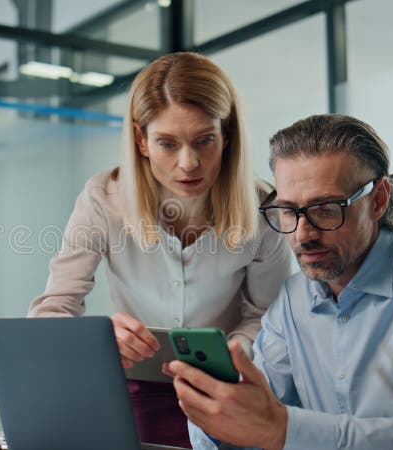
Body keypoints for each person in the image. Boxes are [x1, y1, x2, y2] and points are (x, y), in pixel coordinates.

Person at [166, 114, 393, 449]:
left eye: (326, 209)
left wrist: (284, 430)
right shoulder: (293, 300)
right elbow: (255, 426)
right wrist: (213, 411)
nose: (302, 235)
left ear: (378, 200)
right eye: (288, 210)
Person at [28, 52, 292, 447]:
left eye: (205, 140)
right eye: (167, 144)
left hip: (229, 393)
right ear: (141, 140)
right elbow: (50, 313)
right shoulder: (102, 201)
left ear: (227, 134)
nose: (189, 163)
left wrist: (230, 354)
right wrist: (98, 338)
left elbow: (269, 318)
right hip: (136, 393)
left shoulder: (265, 209)